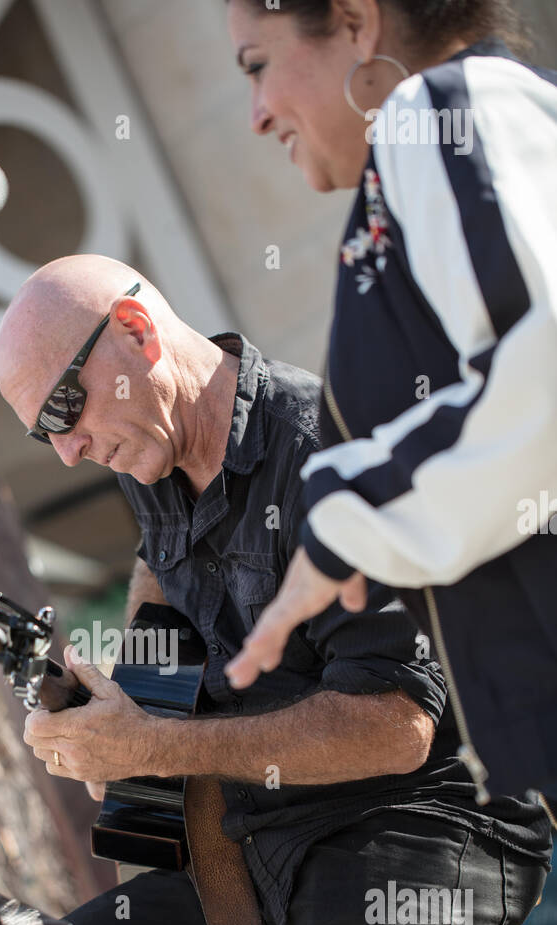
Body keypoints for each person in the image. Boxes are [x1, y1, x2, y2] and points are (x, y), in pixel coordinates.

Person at [0, 253, 551, 925]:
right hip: (265, 837)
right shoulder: (149, 463)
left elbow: (393, 726)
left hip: (413, 828)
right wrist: (121, 720)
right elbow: (162, 604)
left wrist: (154, 748)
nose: (66, 444)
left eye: (65, 404)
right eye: (41, 431)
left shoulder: (325, 442)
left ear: (139, 335)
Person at [221, 0, 557, 808]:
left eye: (257, 64)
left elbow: (544, 363)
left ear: (354, 22)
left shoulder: (435, 111)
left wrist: (345, 514)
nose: (257, 116)